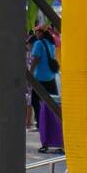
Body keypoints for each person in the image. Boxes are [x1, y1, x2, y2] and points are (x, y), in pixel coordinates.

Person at [30, 23, 61, 152]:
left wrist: (30, 74)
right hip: (51, 79)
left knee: (37, 106)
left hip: (40, 80)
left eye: (37, 32)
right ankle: (55, 135)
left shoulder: (38, 44)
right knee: (53, 108)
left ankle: (43, 131)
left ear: (41, 33)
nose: (36, 34)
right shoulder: (51, 43)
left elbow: (35, 60)